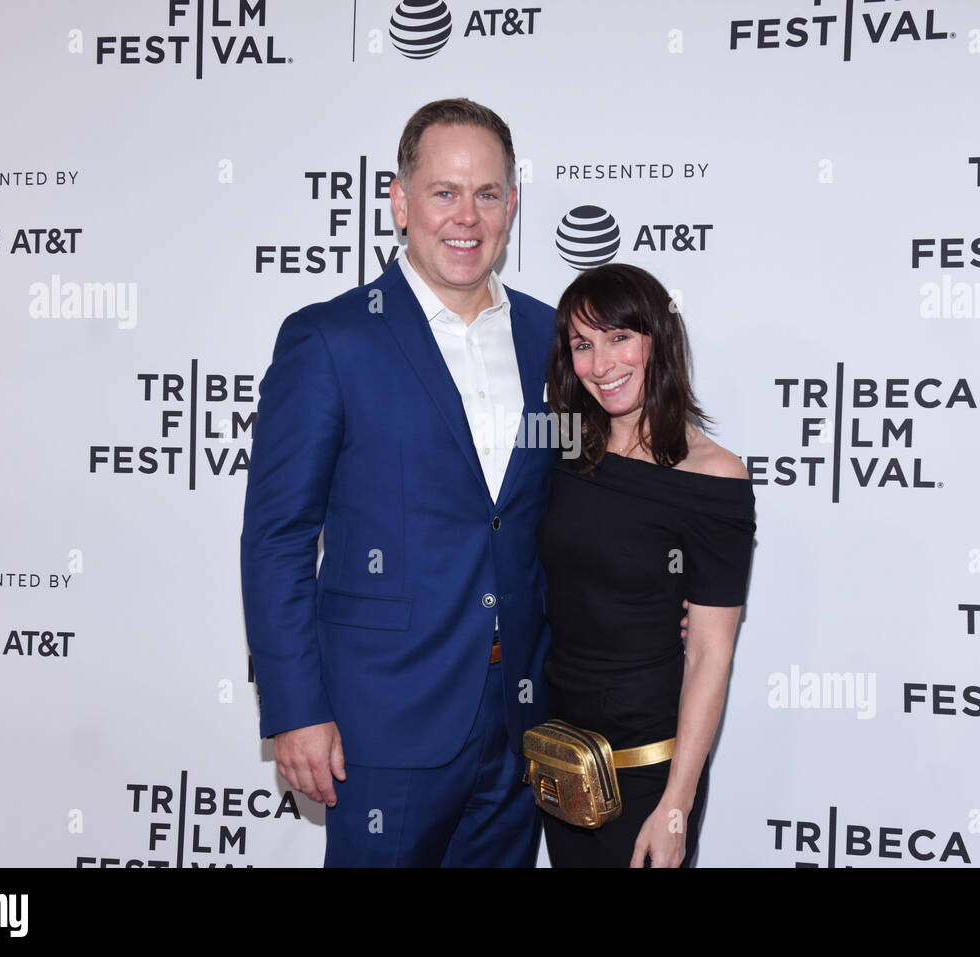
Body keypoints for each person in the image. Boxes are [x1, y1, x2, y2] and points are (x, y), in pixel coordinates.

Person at [240, 99, 558, 867]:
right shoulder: (331, 338)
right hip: (381, 720)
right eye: (445, 191)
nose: (467, 216)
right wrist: (295, 709)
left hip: (522, 714)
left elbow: (578, 504)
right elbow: (278, 538)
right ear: (399, 200)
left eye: (487, 194)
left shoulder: (551, 336)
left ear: (513, 206)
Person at [538, 263, 755, 868]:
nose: (601, 364)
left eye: (619, 337)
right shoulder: (562, 453)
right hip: (559, 759)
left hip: (649, 772)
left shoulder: (714, 478)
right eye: (583, 344)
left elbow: (710, 654)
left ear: (658, 338)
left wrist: (676, 806)